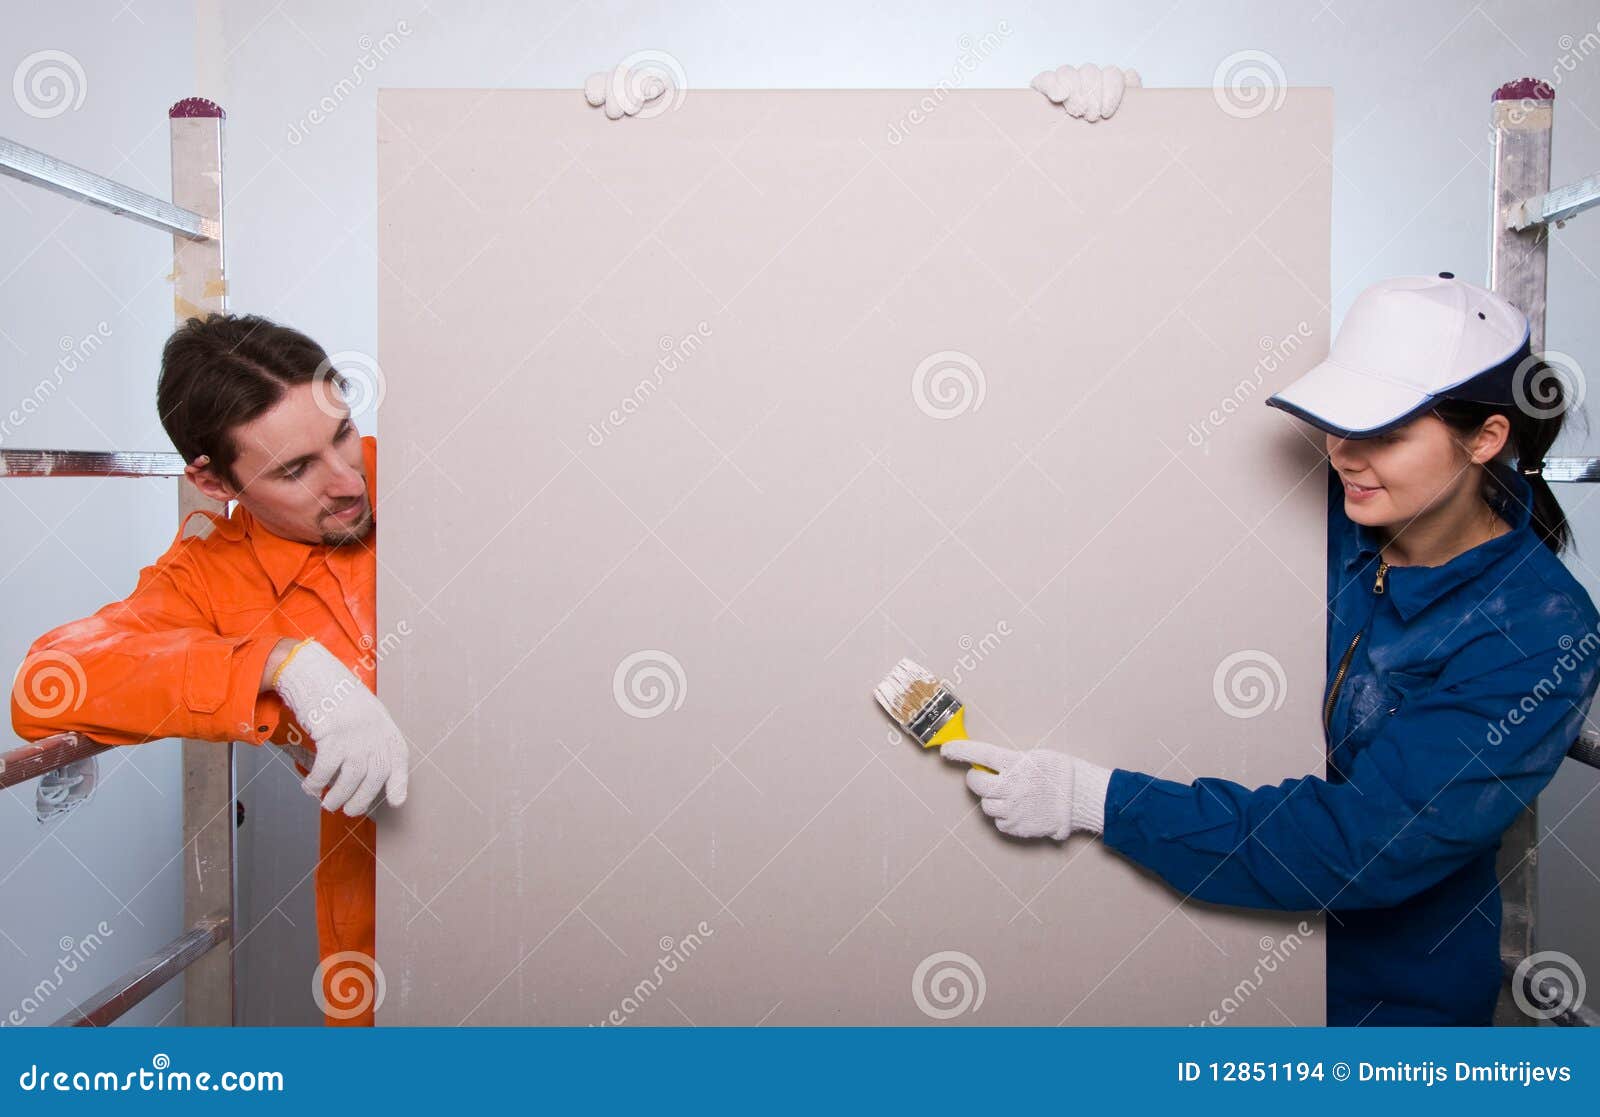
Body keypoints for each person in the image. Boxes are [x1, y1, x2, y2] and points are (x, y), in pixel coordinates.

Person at [942, 273, 1600, 1026]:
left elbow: (1363, 842)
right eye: (1336, 420)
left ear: (1485, 438)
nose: (1344, 453)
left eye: (1384, 431)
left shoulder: (1539, 633)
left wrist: (1099, 799)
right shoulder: (1327, 516)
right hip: (1221, 958)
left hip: (1389, 1001)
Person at [9, 313, 405, 1027]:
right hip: (387, 901)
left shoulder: (443, 472)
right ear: (212, 479)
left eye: (342, 432)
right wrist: (280, 662)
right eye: (295, 469)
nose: (349, 481)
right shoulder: (207, 578)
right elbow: (50, 680)